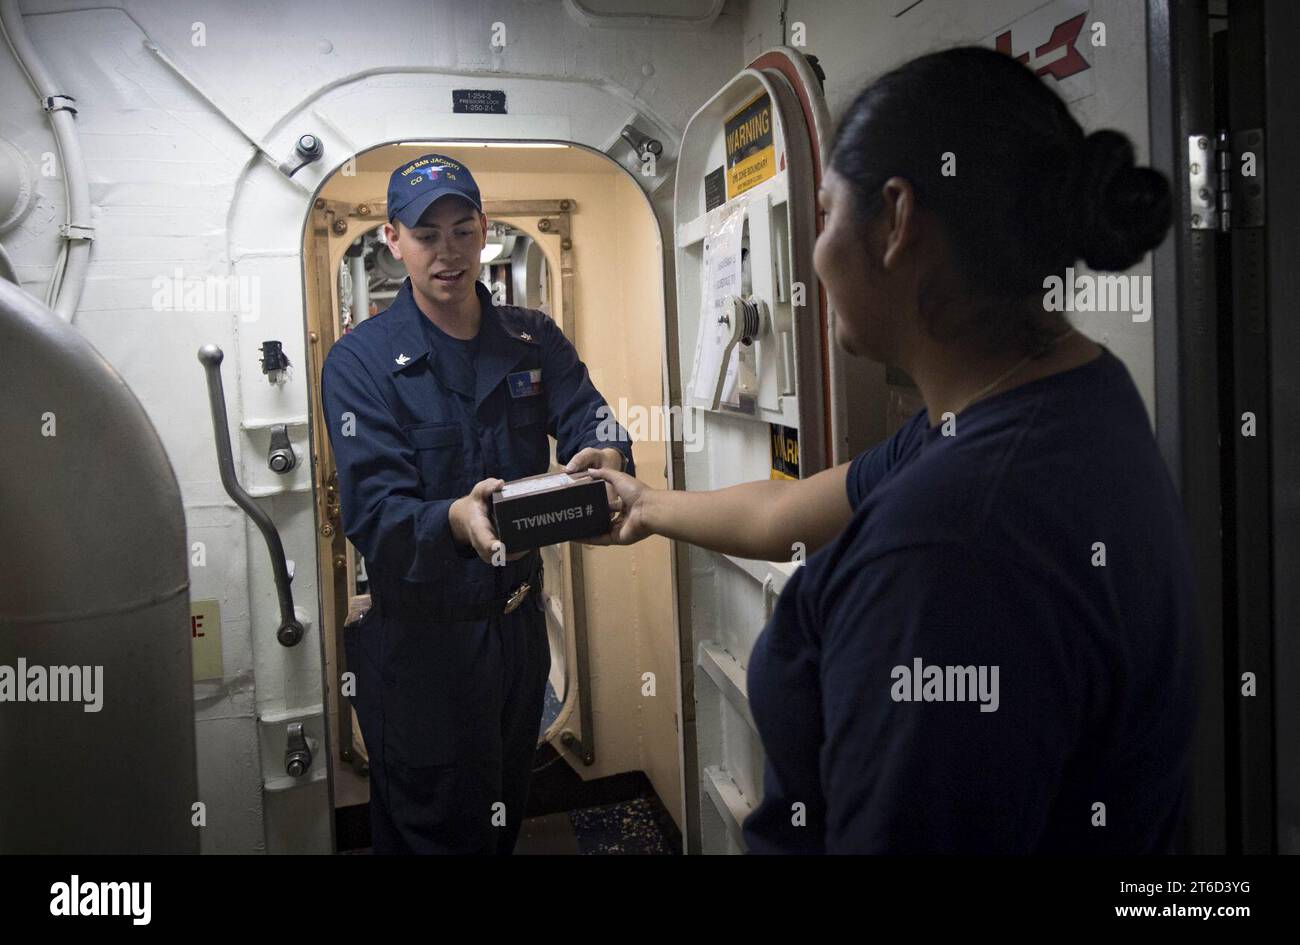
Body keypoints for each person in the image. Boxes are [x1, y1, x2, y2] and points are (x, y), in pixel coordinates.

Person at [585, 46, 1197, 853]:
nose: (814, 253)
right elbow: (785, 512)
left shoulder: (951, 540)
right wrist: (647, 503)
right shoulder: (1056, 397)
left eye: (828, 213)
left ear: (898, 222)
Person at [321, 153, 633, 854]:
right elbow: (374, 512)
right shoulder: (360, 364)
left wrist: (607, 454)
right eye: (427, 235)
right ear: (393, 239)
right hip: (424, 646)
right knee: (430, 829)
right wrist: (454, 520)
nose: (448, 252)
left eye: (463, 230)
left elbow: (594, 417)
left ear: (485, 230)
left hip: (519, 633)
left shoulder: (530, 338)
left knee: (502, 810)